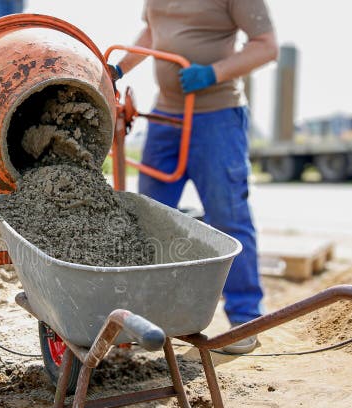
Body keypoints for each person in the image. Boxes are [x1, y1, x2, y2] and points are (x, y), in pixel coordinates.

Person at [111, 0, 278, 353]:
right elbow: (153, 31)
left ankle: (244, 319)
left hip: (217, 116)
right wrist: (118, 69)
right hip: (166, 116)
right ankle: (147, 319)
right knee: (148, 219)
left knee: (228, 214)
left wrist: (213, 72)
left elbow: (266, 46)